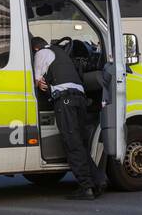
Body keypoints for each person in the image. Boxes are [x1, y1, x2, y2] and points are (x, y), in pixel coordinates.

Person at [32, 35, 106, 199]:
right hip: (80, 100)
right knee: (81, 143)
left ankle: (86, 187)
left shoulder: (40, 54)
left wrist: (39, 84)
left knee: (72, 144)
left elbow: (38, 81)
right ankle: (98, 182)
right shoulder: (62, 54)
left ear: (35, 48)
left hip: (65, 102)